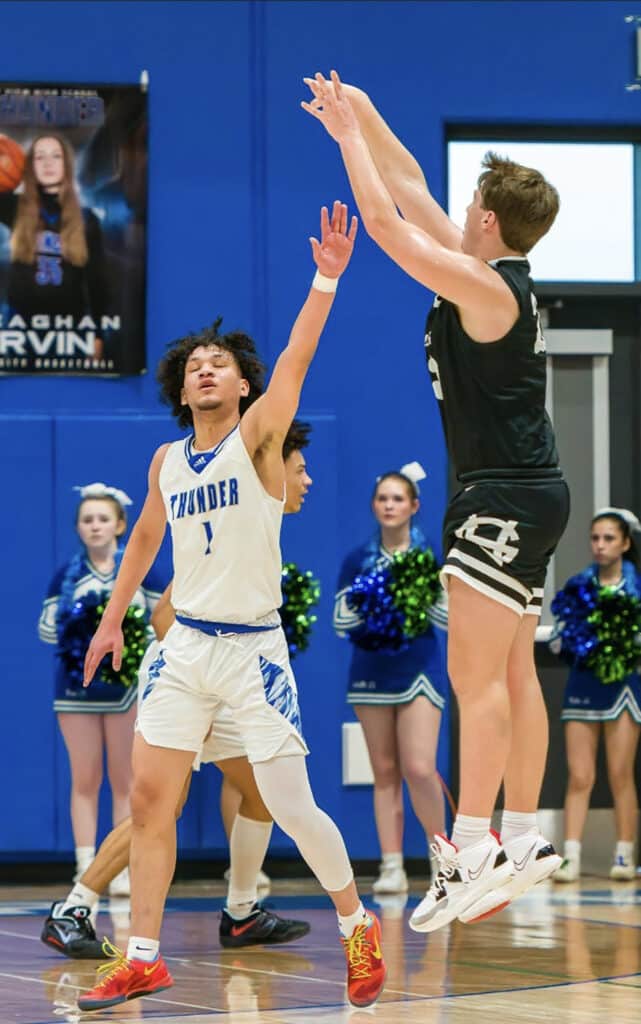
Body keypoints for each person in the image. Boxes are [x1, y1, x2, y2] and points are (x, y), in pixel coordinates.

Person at [77, 201, 386, 1013]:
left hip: (252, 651)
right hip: (183, 651)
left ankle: (356, 921)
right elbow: (144, 543)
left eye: (219, 364)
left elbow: (296, 357)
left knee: (289, 804)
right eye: (194, 365)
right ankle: (142, 955)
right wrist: (112, 622)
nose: (205, 370)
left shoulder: (257, 440)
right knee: (150, 798)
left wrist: (325, 277)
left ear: (243, 386)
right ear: (181, 386)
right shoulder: (165, 461)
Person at [303, 73, 569, 930]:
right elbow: (410, 184)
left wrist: (345, 141)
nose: (455, 209)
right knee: (514, 669)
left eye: (470, 205)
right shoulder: (490, 274)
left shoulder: (488, 290)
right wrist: (361, 109)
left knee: (473, 677)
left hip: (499, 493)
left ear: (487, 220)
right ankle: (522, 831)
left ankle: (467, 847)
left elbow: (384, 220)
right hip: (527, 489)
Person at [41, 421, 314, 958]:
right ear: (272, 466)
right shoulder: (226, 517)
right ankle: (73, 906)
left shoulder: (253, 524)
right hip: (185, 674)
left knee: (260, 791)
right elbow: (165, 615)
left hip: (219, 676)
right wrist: (201, 695)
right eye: (300, 468)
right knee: (163, 805)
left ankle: (240, 912)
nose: (307, 480)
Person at [38, 483, 163, 890]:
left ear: (120, 525)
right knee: (85, 778)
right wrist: (78, 626)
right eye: (87, 520)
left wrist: (134, 633)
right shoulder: (66, 577)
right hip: (77, 690)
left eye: (103, 519)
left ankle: (119, 867)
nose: (95, 527)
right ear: (78, 528)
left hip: (125, 691)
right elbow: (46, 630)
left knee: (126, 779)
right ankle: (85, 865)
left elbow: (164, 621)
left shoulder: (139, 569)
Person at [334, 463, 448, 894]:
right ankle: (392, 865)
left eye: (398, 498)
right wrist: (375, 606)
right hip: (370, 670)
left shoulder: (429, 557)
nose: (389, 505)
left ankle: (442, 860)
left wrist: (413, 601)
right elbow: (340, 621)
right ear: (373, 505)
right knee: (384, 771)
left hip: (420, 667)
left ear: (414, 506)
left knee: (419, 767)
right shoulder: (357, 560)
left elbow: (447, 618)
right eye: (383, 498)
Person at [552, 507, 641, 883]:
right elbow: (559, 639)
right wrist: (572, 639)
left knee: (621, 773)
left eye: (608, 538)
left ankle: (623, 855)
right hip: (583, 685)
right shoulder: (577, 587)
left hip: (623, 686)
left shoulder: (636, 591)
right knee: (579, 775)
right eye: (595, 538)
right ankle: (570, 855)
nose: (600, 546)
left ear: (625, 543)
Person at [0, 132, 108, 332]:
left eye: (55, 156)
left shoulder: (87, 219)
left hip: (70, 328)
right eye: (40, 157)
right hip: (19, 326)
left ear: (66, 164)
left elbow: (97, 283)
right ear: (30, 166)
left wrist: (98, 335)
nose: (48, 163)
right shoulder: (13, 207)